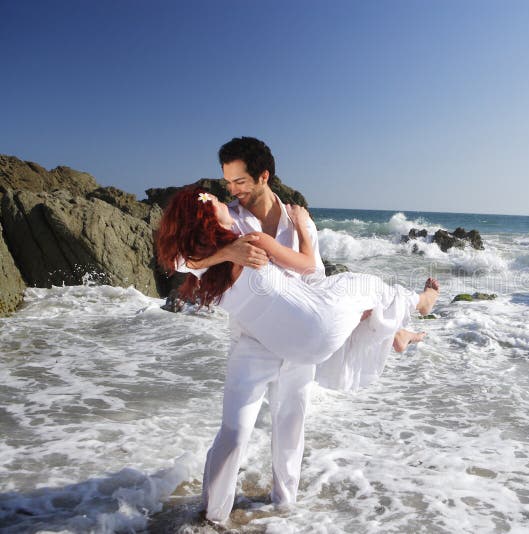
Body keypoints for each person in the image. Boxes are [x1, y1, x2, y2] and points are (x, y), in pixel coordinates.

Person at [157, 137, 438, 523]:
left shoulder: (296, 219)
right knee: (234, 433)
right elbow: (178, 258)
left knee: (291, 427)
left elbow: (315, 275)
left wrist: (304, 230)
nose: (232, 190)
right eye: (228, 183)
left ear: (263, 176)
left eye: (240, 181)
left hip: (300, 330)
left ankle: (285, 508)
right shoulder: (227, 220)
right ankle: (211, 517)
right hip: (254, 342)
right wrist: (227, 252)